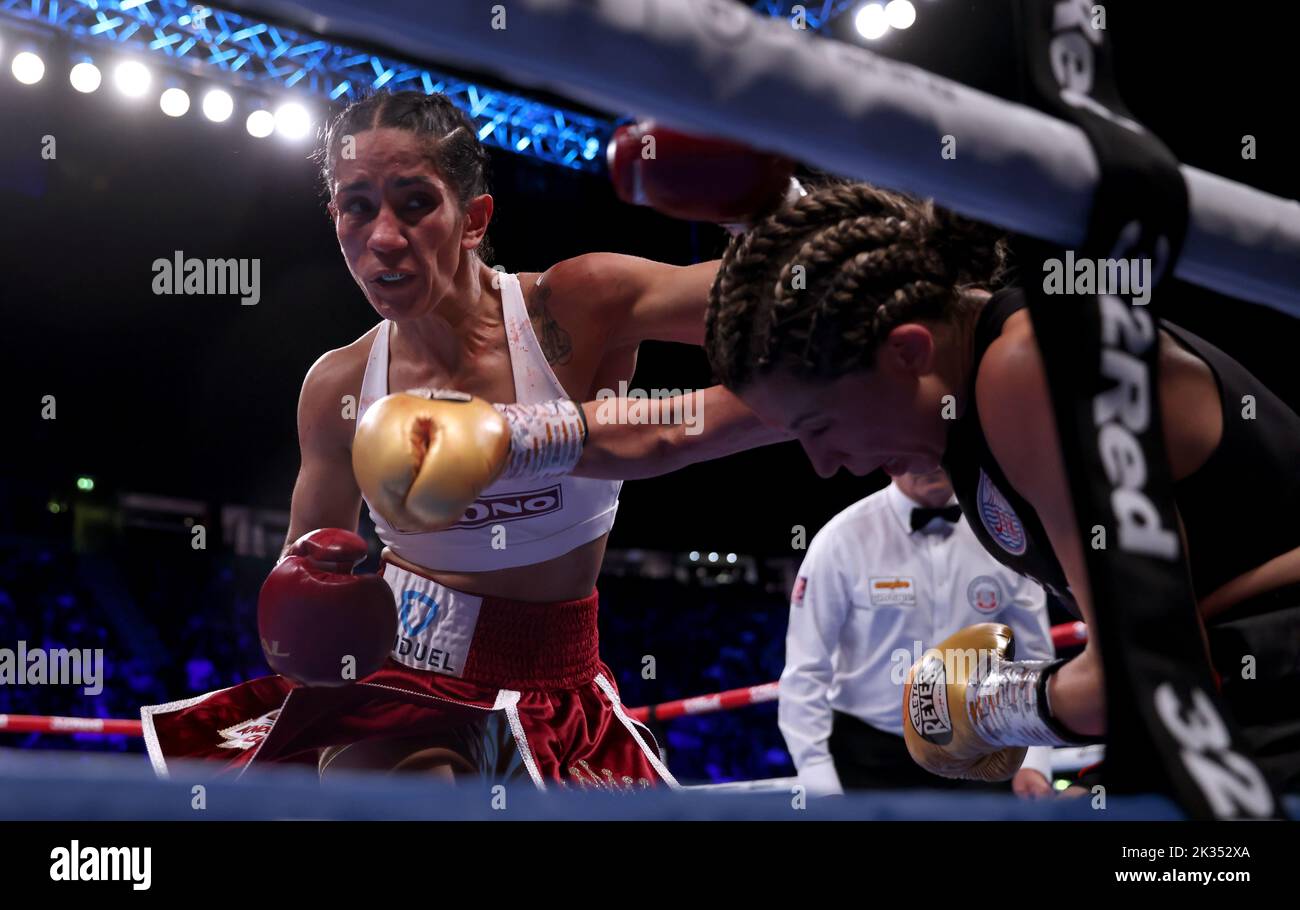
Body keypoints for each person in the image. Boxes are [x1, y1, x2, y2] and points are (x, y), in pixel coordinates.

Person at [140, 93, 791, 790]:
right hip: (407, 678)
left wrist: (764, 205)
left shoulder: (571, 310)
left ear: (474, 218)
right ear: (335, 220)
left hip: (566, 678)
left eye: (415, 202)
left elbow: (793, 304)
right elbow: (311, 564)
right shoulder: (340, 388)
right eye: (357, 206)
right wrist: (304, 622)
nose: (384, 237)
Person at [700, 181, 1300, 789]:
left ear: (907, 351)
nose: (823, 463)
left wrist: (991, 705)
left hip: (1265, 681)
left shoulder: (1029, 367)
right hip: (1231, 696)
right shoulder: (969, 407)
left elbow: (1151, 671)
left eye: (819, 425)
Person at [779, 470, 1056, 797]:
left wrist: (1033, 762)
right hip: (868, 757)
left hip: (981, 745)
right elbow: (806, 670)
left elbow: (1034, 658)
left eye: (934, 448)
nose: (928, 462)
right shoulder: (841, 539)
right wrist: (817, 777)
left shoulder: (1005, 531)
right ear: (889, 458)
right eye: (913, 453)